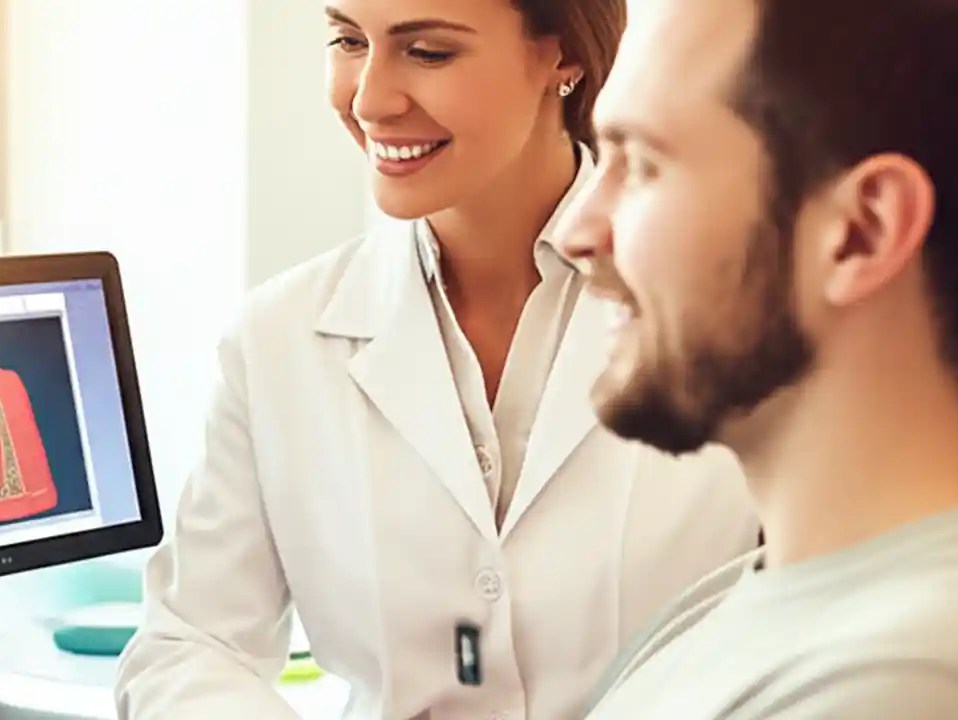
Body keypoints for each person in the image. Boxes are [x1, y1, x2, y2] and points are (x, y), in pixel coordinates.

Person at [115, 1, 758, 718]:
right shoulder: (279, 338)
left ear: (562, 56)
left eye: (427, 52)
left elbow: (851, 611)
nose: (368, 100)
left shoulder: (732, 308)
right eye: (349, 40)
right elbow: (190, 643)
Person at [558, 0, 958, 716]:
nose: (578, 230)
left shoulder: (909, 684)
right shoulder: (748, 598)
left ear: (860, 232)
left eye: (641, 164)